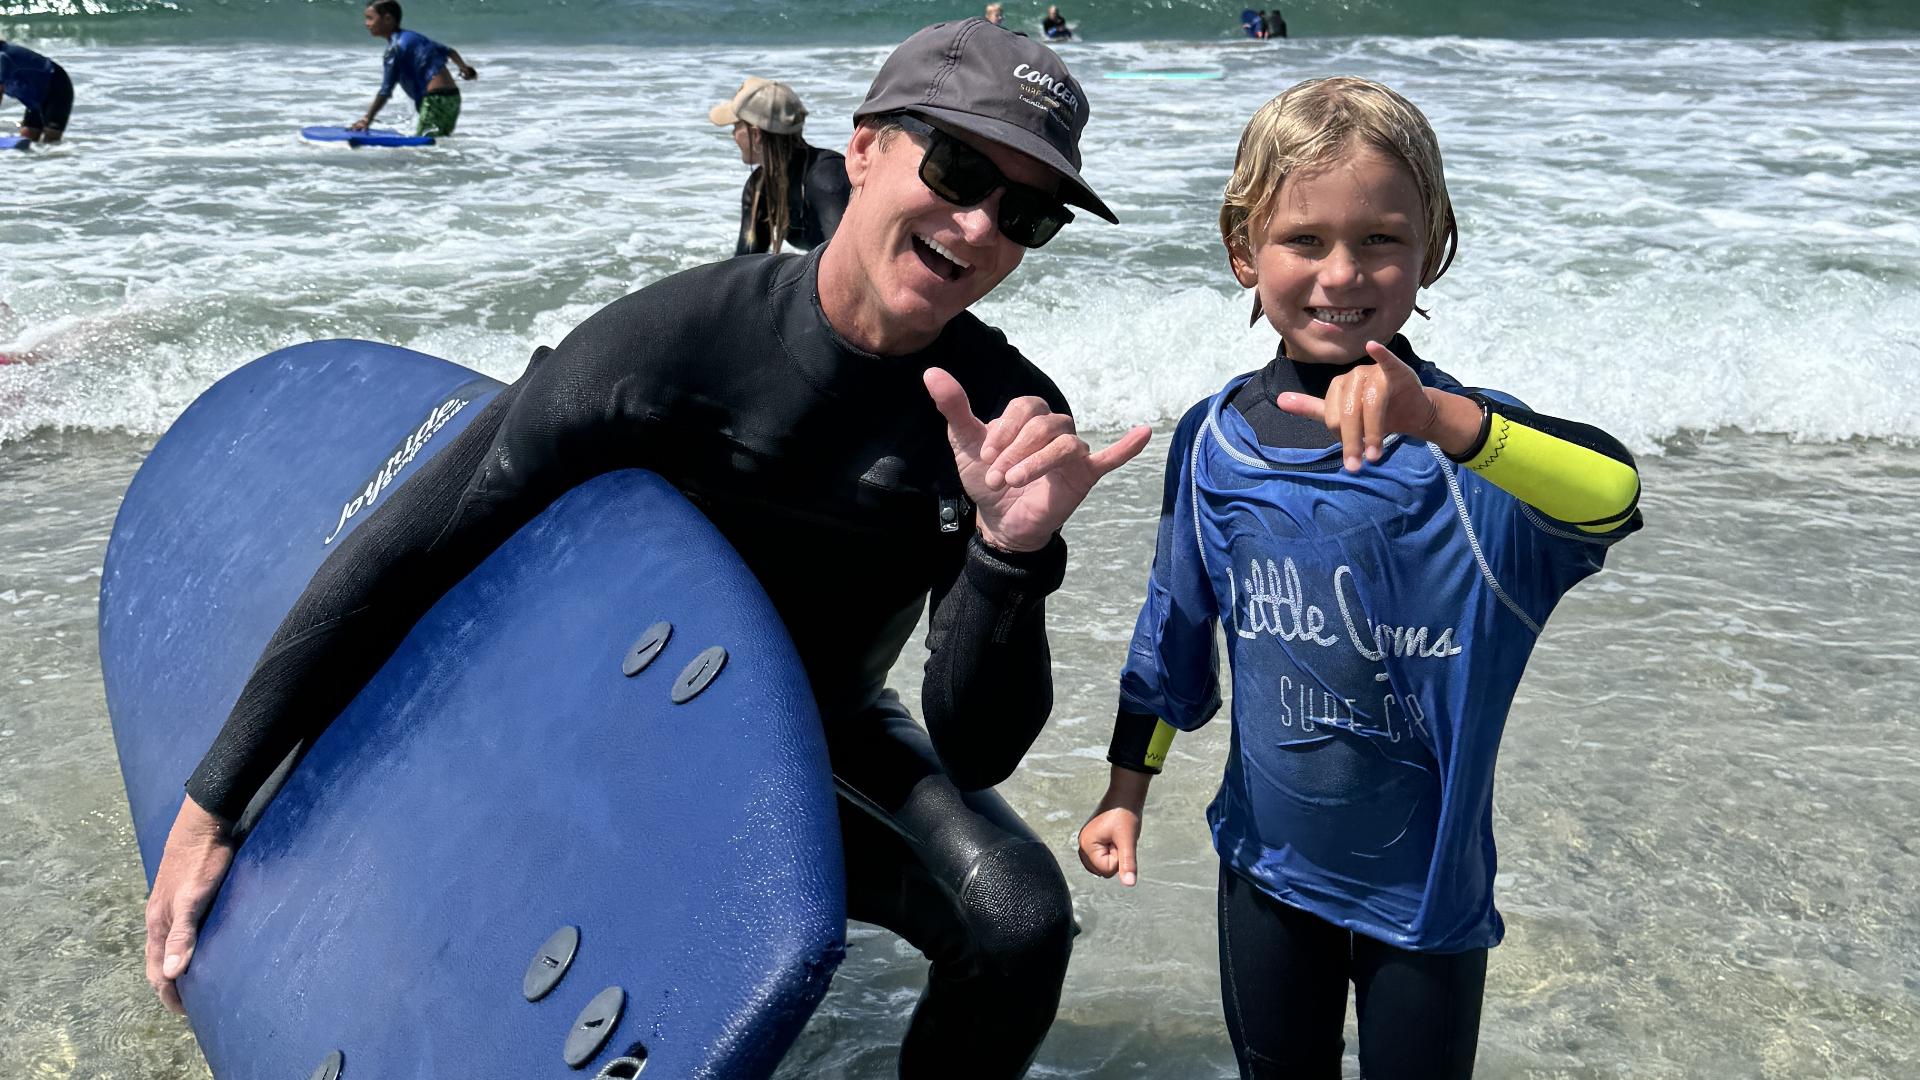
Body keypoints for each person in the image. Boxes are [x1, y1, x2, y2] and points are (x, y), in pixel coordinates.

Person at [144, 17, 1148, 1078]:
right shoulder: (676, 343)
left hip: (812, 738)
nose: (980, 223)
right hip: (587, 734)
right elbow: (419, 544)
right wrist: (213, 807)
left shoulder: (1003, 418)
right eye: (955, 166)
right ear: (863, 150)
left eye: (1026, 212)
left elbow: (978, 746)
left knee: (1019, 921)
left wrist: (1006, 555)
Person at [1076, 76, 1642, 1079]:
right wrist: (1127, 791)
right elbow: (1172, 628)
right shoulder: (1212, 443)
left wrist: (1442, 423)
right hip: (1262, 873)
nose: (1343, 272)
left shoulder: (1475, 464)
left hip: (1425, 907)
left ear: (1433, 249)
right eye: (1305, 240)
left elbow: (1609, 492)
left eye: (1382, 238)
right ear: (1245, 252)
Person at [710, 77, 850, 256]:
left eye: (736, 126)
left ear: (756, 134)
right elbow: (744, 266)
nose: (733, 134)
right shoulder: (759, 188)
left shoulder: (827, 178)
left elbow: (849, 261)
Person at [347, 0, 477, 138]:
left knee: (425, 147)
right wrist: (464, 69)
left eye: (370, 18)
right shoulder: (413, 37)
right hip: (452, 98)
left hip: (435, 100)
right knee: (437, 144)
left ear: (387, 19)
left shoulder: (395, 49)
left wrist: (367, 118)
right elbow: (450, 51)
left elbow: (385, 90)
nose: (366, 24)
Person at [0, 39, 73, 144]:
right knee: (27, 139)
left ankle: (58, 159)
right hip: (34, 97)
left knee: (51, 138)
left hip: (56, 86)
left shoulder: (3, 57)